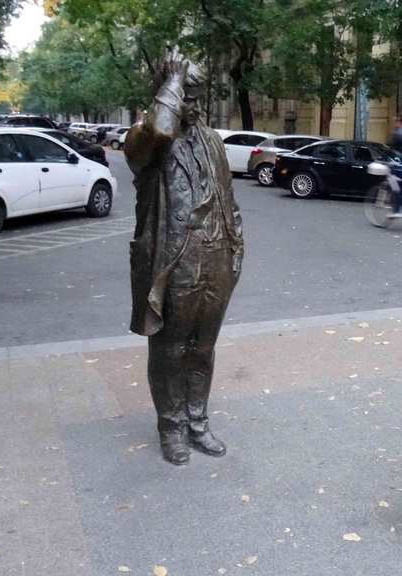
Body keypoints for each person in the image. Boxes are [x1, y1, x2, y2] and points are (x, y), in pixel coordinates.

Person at [124, 47, 244, 466]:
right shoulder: (145, 140)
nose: (193, 104)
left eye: (197, 95)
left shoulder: (212, 140)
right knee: (170, 349)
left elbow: (229, 201)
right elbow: (159, 129)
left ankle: (197, 422)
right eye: (185, 95)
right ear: (168, 92)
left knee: (203, 349)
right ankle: (170, 426)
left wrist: (236, 250)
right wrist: (171, 83)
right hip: (172, 263)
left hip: (214, 258)